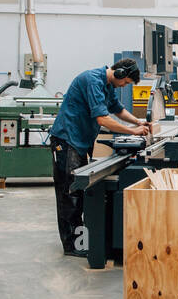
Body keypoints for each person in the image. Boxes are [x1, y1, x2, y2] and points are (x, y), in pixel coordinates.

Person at [48, 58, 152, 257]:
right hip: (67, 139)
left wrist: (139, 121)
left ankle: (79, 240)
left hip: (80, 142)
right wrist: (133, 132)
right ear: (120, 73)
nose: (124, 85)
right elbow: (103, 119)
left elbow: (118, 110)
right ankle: (72, 245)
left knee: (77, 193)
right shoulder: (93, 80)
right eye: (126, 82)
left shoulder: (107, 85)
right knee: (69, 194)